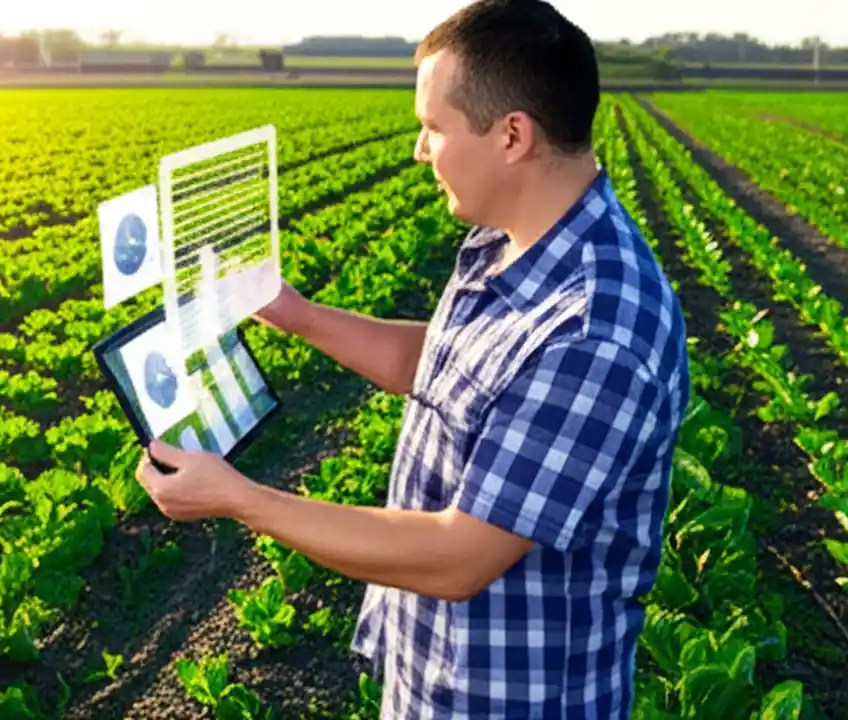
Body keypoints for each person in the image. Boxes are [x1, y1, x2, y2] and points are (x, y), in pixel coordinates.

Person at [134, 0, 689, 716]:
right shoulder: (512, 237)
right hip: (436, 674)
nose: (419, 152)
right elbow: (451, 369)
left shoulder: (596, 330)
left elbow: (459, 558)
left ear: (513, 135)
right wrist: (300, 317)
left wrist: (239, 499)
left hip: (509, 698)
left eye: (433, 128)